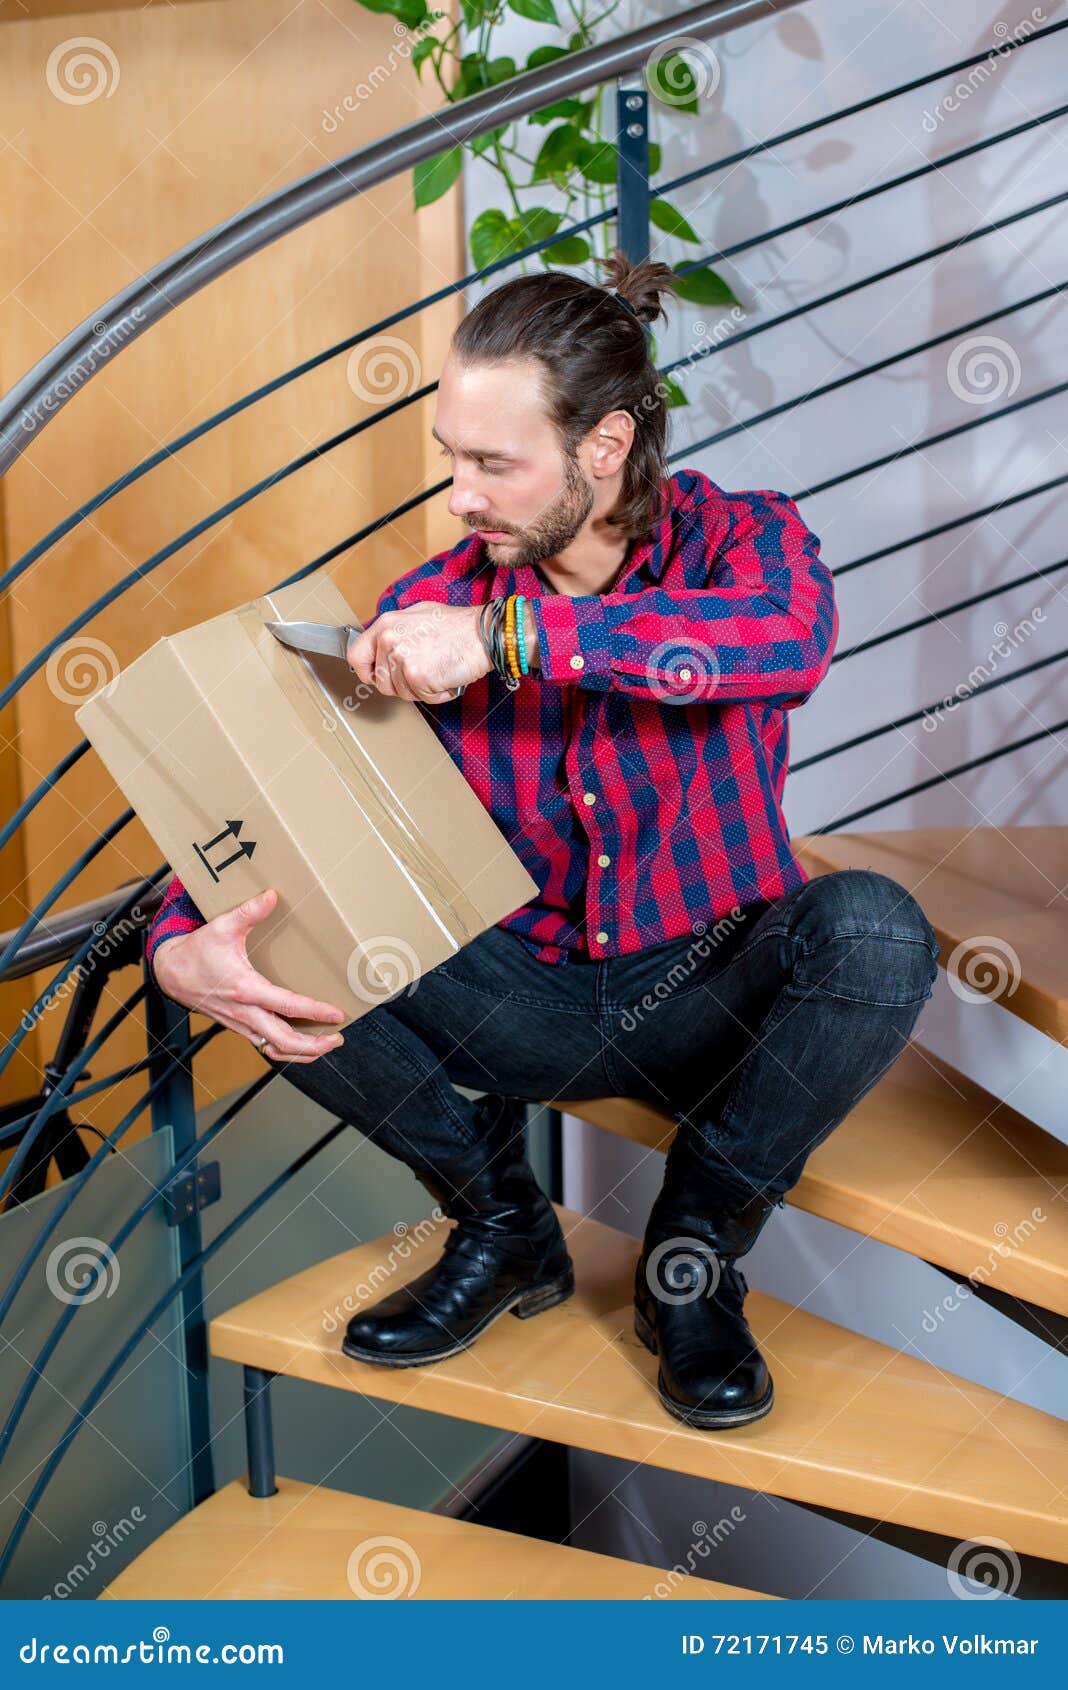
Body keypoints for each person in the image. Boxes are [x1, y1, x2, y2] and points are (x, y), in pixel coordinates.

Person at [146, 250, 940, 1430]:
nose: (460, 495)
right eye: (450, 458)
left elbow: (784, 642)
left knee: (877, 928)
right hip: (519, 998)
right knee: (270, 946)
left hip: (708, 996)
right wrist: (177, 945)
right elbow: (286, 806)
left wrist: (512, 639)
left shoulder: (742, 541)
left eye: (492, 464)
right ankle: (504, 1223)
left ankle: (694, 1252)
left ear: (605, 447)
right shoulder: (431, 601)